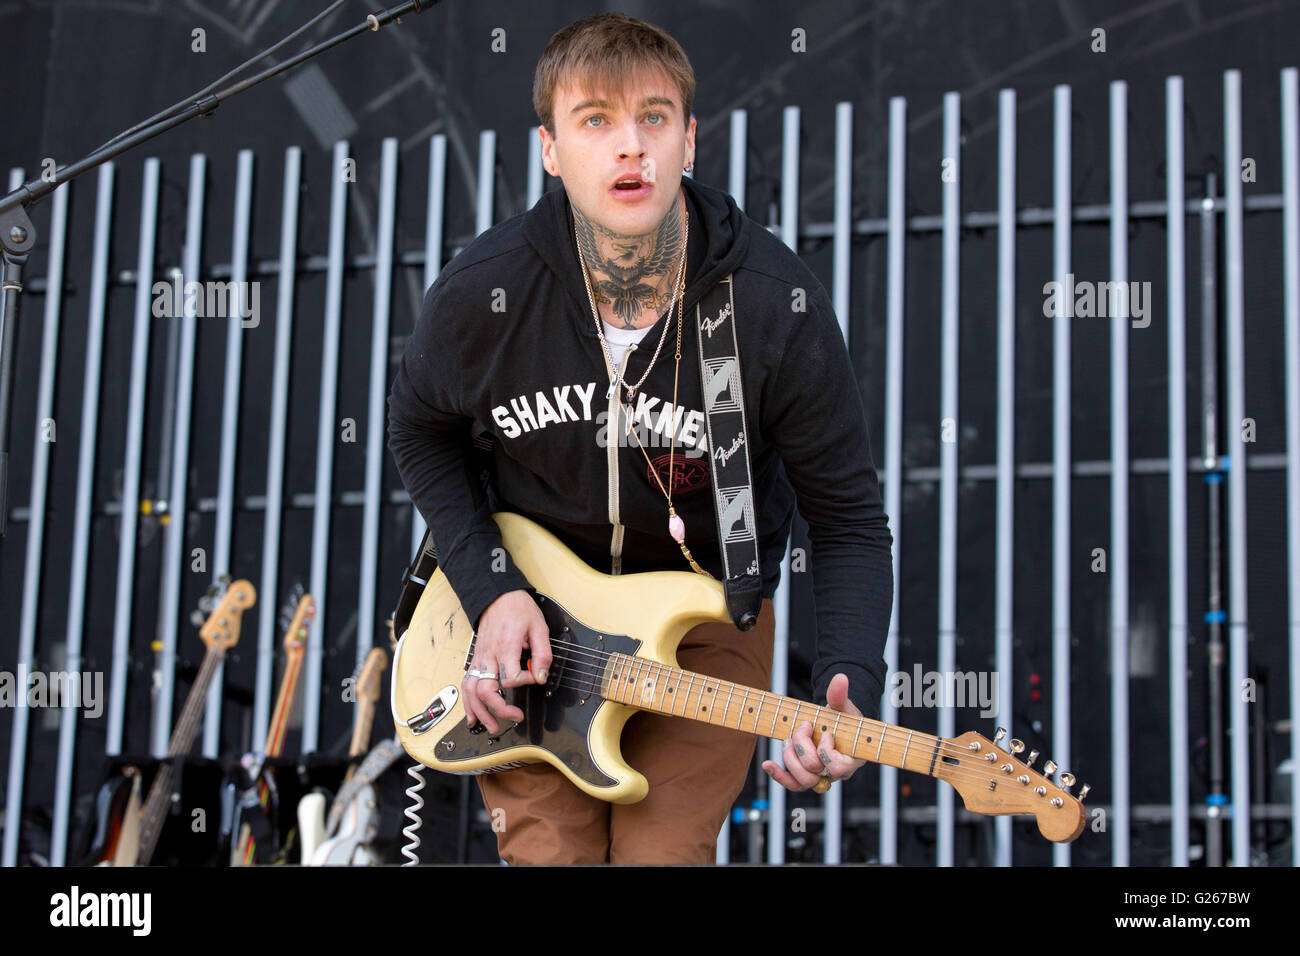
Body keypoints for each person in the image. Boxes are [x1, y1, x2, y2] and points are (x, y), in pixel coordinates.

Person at [387, 12, 893, 864]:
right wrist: (491, 589)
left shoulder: (774, 307)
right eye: (596, 120)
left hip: (704, 624)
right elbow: (418, 428)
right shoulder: (486, 295)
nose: (631, 146)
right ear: (550, 149)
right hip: (535, 625)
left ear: (688, 140)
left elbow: (847, 522)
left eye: (654, 118)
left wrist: (850, 678)